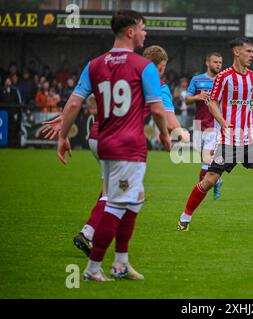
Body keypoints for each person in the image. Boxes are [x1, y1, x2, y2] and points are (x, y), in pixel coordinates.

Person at [55, 10, 171, 282]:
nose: (145, 33)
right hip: (128, 147)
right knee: (116, 206)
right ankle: (93, 268)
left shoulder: (94, 64)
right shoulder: (145, 67)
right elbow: (156, 110)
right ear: (130, 31)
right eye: (142, 28)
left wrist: (62, 135)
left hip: (105, 142)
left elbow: (73, 103)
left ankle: (121, 264)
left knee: (135, 200)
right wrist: (165, 136)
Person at [176, 37, 253, 234]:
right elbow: (212, 102)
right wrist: (223, 123)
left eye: (252, 51)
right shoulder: (223, 77)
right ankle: (184, 218)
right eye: (248, 51)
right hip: (228, 141)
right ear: (237, 52)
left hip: (250, 140)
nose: (252, 55)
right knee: (210, 180)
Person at [185, 52, 224, 199]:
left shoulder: (223, 80)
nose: (218, 65)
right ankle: (217, 181)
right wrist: (197, 97)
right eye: (215, 62)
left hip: (215, 126)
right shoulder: (196, 79)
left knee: (206, 160)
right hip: (199, 124)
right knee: (204, 159)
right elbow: (187, 99)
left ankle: (200, 191)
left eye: (220, 62)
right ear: (207, 63)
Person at [142, 45, 189, 142]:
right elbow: (171, 125)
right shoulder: (159, 86)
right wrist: (184, 136)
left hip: (107, 140)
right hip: (130, 146)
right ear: (161, 67)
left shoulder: (128, 78)